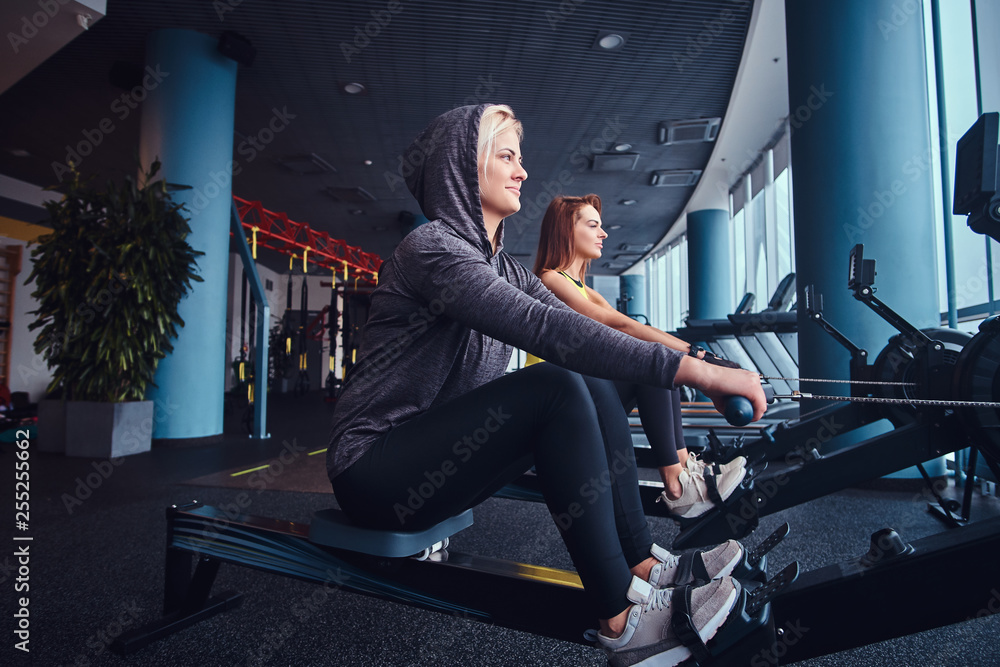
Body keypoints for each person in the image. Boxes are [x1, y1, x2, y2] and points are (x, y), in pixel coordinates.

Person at [326, 103, 766, 665]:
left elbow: (583, 332)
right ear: (461, 168)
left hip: (433, 467)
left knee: (590, 378)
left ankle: (643, 566)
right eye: (506, 155)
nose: (522, 171)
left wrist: (689, 358)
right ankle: (622, 621)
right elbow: (548, 329)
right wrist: (701, 374)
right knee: (554, 384)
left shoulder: (500, 266)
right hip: (373, 472)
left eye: (520, 157)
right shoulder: (432, 248)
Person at [532, 194, 747, 519]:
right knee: (652, 366)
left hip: (581, 396)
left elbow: (631, 326)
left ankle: (685, 471)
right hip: (556, 407)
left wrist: (700, 357)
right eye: (593, 226)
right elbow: (617, 325)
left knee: (659, 361)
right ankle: (677, 486)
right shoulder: (550, 280)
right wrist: (698, 357)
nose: (603, 233)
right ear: (566, 231)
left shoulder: (586, 290)